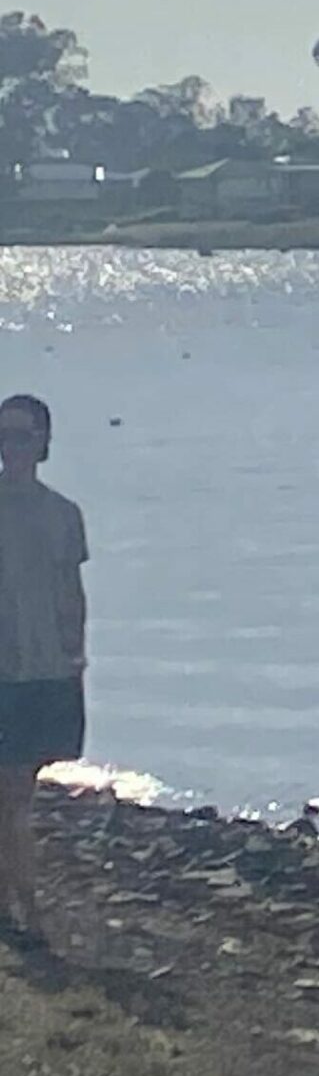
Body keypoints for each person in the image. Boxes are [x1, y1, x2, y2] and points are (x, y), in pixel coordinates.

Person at [0, 394, 86, 946]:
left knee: (17, 795)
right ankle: (26, 911)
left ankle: (16, 905)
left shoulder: (63, 514)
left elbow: (70, 594)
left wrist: (75, 657)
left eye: (23, 436)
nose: (12, 447)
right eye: (4, 436)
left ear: (43, 443)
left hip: (45, 673)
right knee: (9, 798)